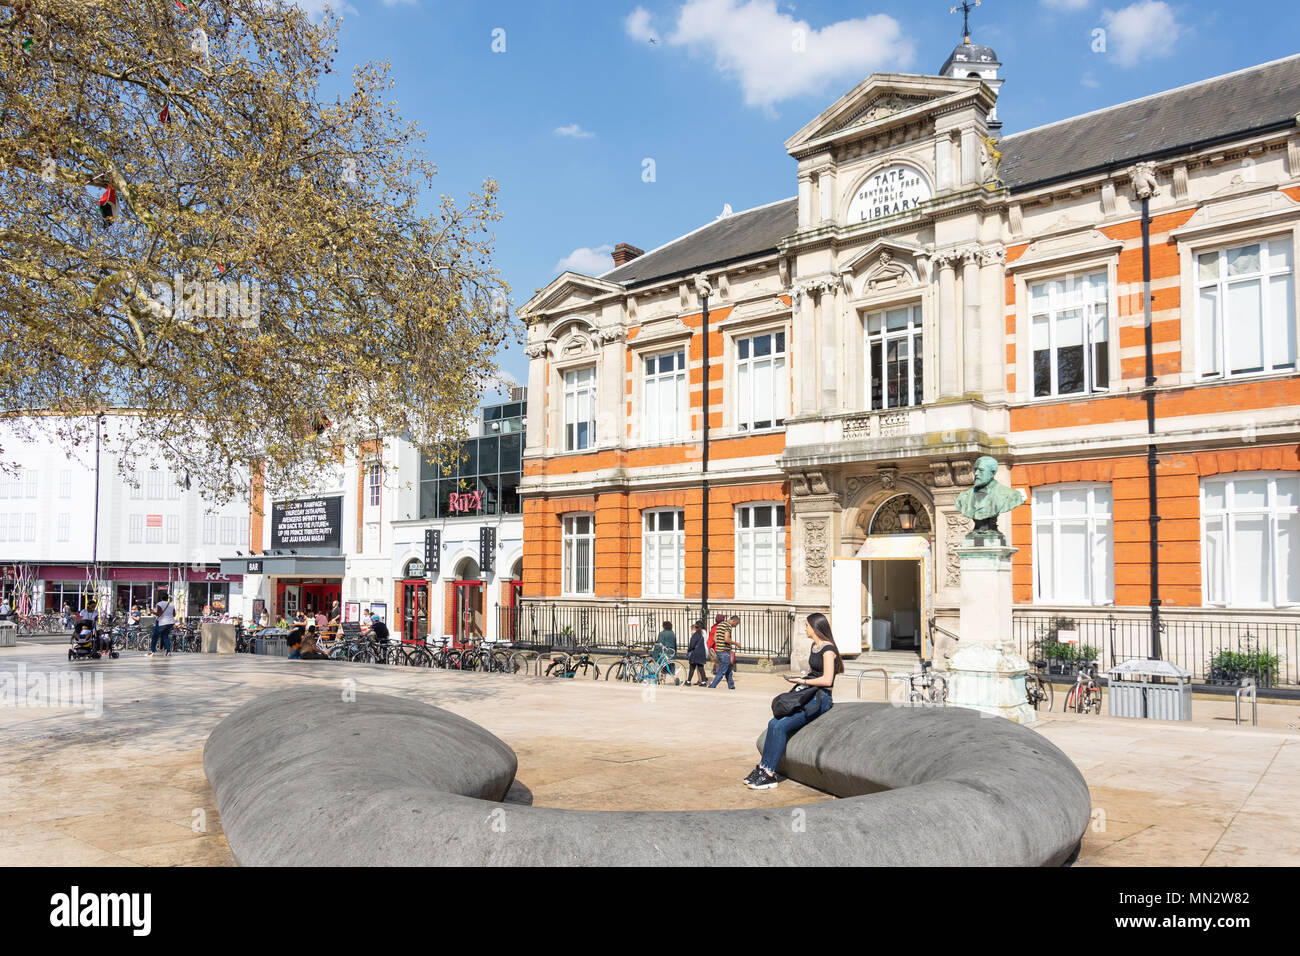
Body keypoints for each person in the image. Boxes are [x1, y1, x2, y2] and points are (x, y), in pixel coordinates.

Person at [744, 612, 843, 791]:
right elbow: (816, 673)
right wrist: (802, 679)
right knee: (773, 723)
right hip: (809, 693)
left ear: (815, 627)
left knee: (781, 726)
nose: (804, 628)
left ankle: (770, 774)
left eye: (806, 625)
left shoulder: (828, 650)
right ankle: (763, 768)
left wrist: (803, 681)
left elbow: (828, 680)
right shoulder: (815, 646)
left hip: (821, 698)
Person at [708, 615, 741, 690]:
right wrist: (736, 644)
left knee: (729, 671)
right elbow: (726, 639)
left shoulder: (720, 625)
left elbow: (714, 638)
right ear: (733, 621)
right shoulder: (728, 626)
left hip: (719, 651)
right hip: (724, 652)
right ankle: (712, 686)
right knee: (722, 672)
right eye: (736, 624)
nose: (735, 626)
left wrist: (720, 644)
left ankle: (731, 687)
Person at [686, 619, 709, 686]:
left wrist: (688, 650)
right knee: (701, 669)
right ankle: (703, 682)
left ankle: (688, 681)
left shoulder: (695, 635)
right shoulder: (701, 635)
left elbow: (692, 645)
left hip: (695, 654)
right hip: (701, 654)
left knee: (692, 669)